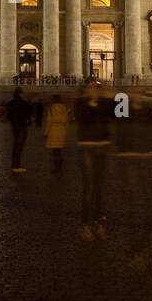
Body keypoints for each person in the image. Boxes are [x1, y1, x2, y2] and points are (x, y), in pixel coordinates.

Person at [74, 80, 113, 241]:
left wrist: (111, 95)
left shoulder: (104, 104)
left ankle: (100, 223)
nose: (94, 89)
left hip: (102, 148)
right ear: (85, 89)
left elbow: (122, 112)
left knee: (101, 188)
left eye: (96, 87)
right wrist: (96, 100)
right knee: (89, 188)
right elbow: (83, 118)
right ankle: (85, 225)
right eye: (91, 86)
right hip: (86, 148)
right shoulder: (81, 104)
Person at [5, 87, 32, 173]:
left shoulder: (11, 103)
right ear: (20, 94)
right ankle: (16, 166)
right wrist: (29, 102)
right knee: (19, 146)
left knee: (16, 144)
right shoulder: (23, 103)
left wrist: (13, 120)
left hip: (14, 126)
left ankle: (14, 165)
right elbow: (30, 112)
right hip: (22, 125)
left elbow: (8, 115)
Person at [43, 94, 70, 174]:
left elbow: (49, 121)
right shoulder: (64, 108)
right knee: (59, 151)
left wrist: (45, 133)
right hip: (61, 130)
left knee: (55, 151)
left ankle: (57, 168)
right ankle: (60, 167)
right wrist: (65, 131)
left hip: (53, 131)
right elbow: (67, 121)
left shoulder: (51, 109)